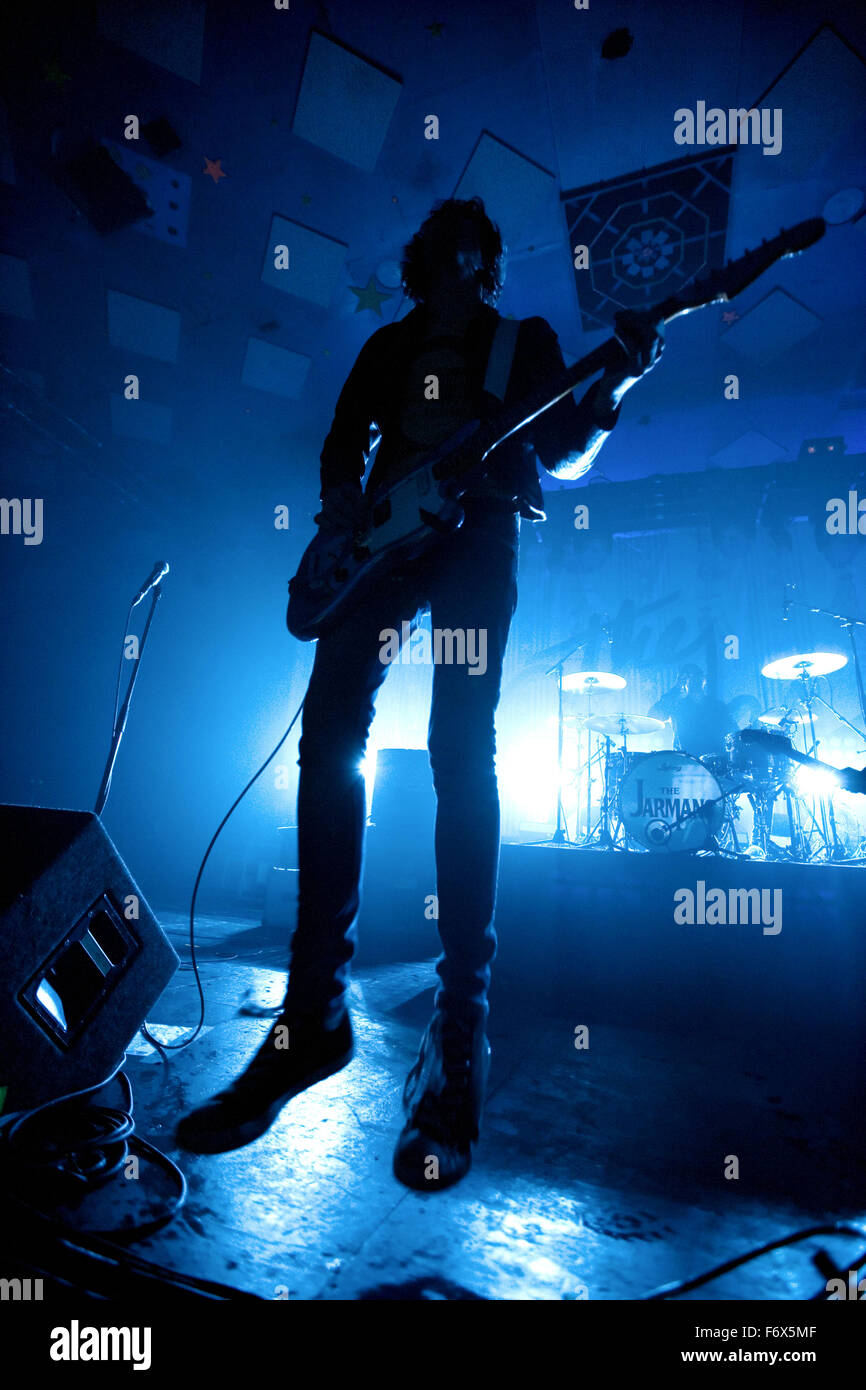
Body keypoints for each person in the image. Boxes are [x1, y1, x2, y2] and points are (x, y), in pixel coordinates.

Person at [177, 197, 664, 1188]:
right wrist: (341, 518)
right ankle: (311, 1014)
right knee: (328, 734)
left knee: (460, 751)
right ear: (423, 262)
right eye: (444, 249)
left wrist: (611, 382)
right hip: (382, 551)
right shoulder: (385, 348)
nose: (460, 261)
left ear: (485, 263)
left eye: (474, 249)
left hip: (478, 535)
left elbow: (563, 451)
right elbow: (339, 443)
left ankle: (459, 1030)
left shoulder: (520, 342)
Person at [649, 664, 734, 758]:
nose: (692, 679)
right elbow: (652, 717)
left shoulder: (718, 706)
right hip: (684, 761)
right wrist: (675, 690)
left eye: (696, 675)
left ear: (704, 679)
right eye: (687, 676)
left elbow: (732, 731)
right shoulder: (676, 706)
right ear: (682, 681)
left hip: (714, 761)